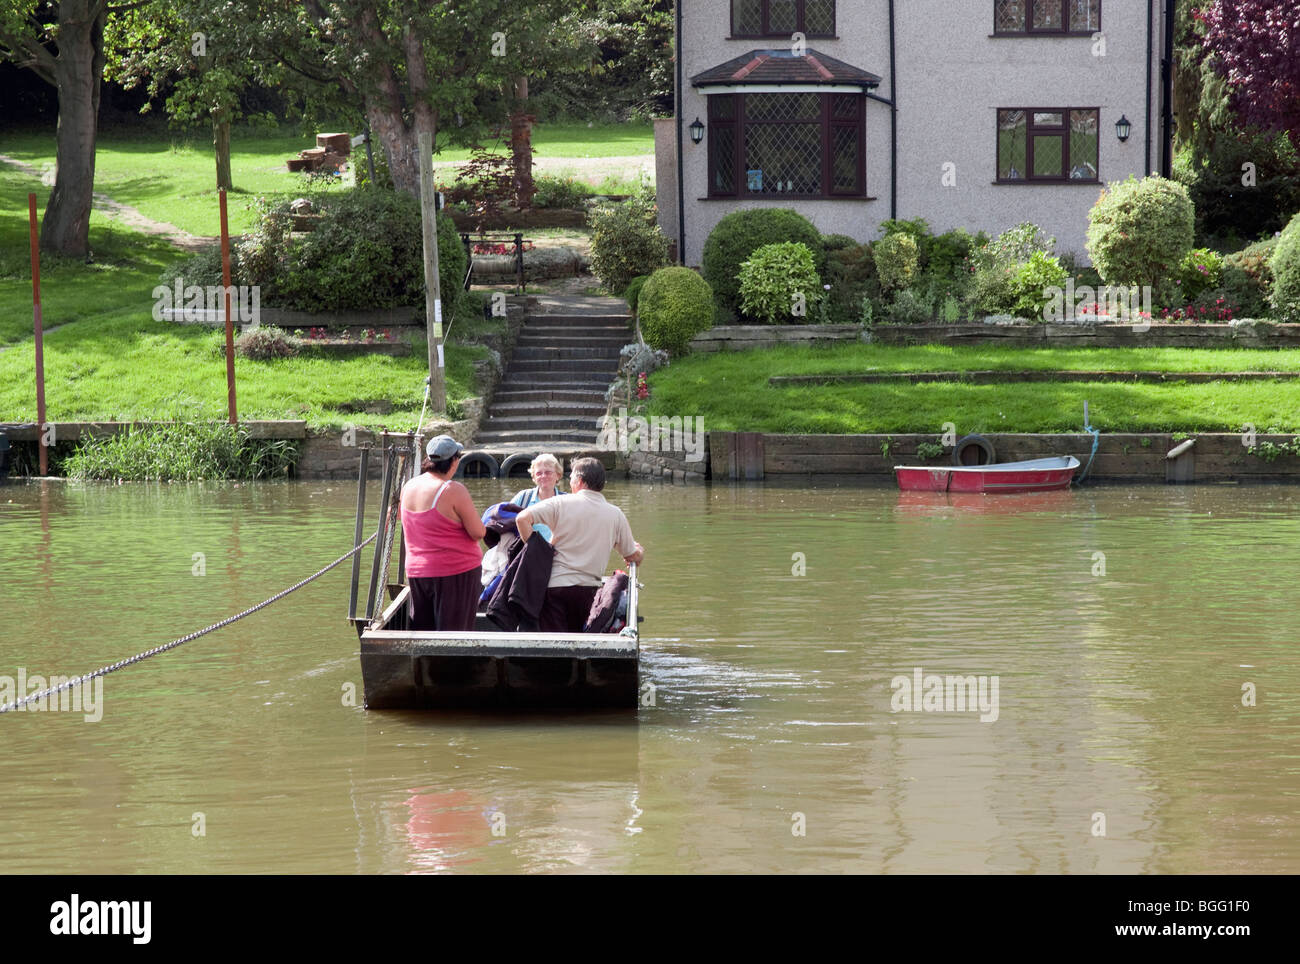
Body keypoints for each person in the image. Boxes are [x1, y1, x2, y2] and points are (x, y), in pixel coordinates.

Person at [515, 457, 643, 633]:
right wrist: (639, 552)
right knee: (579, 639)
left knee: (555, 643)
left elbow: (521, 519)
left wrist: (539, 551)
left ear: (580, 481)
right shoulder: (616, 514)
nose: (570, 483)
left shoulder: (559, 503)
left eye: (572, 478)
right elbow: (632, 555)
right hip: (588, 591)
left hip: (554, 587)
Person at [399, 435, 486, 632]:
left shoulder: (409, 486)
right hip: (455, 572)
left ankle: (425, 663)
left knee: (423, 632)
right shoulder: (452, 490)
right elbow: (477, 532)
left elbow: (395, 517)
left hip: (417, 572)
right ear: (454, 461)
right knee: (454, 636)